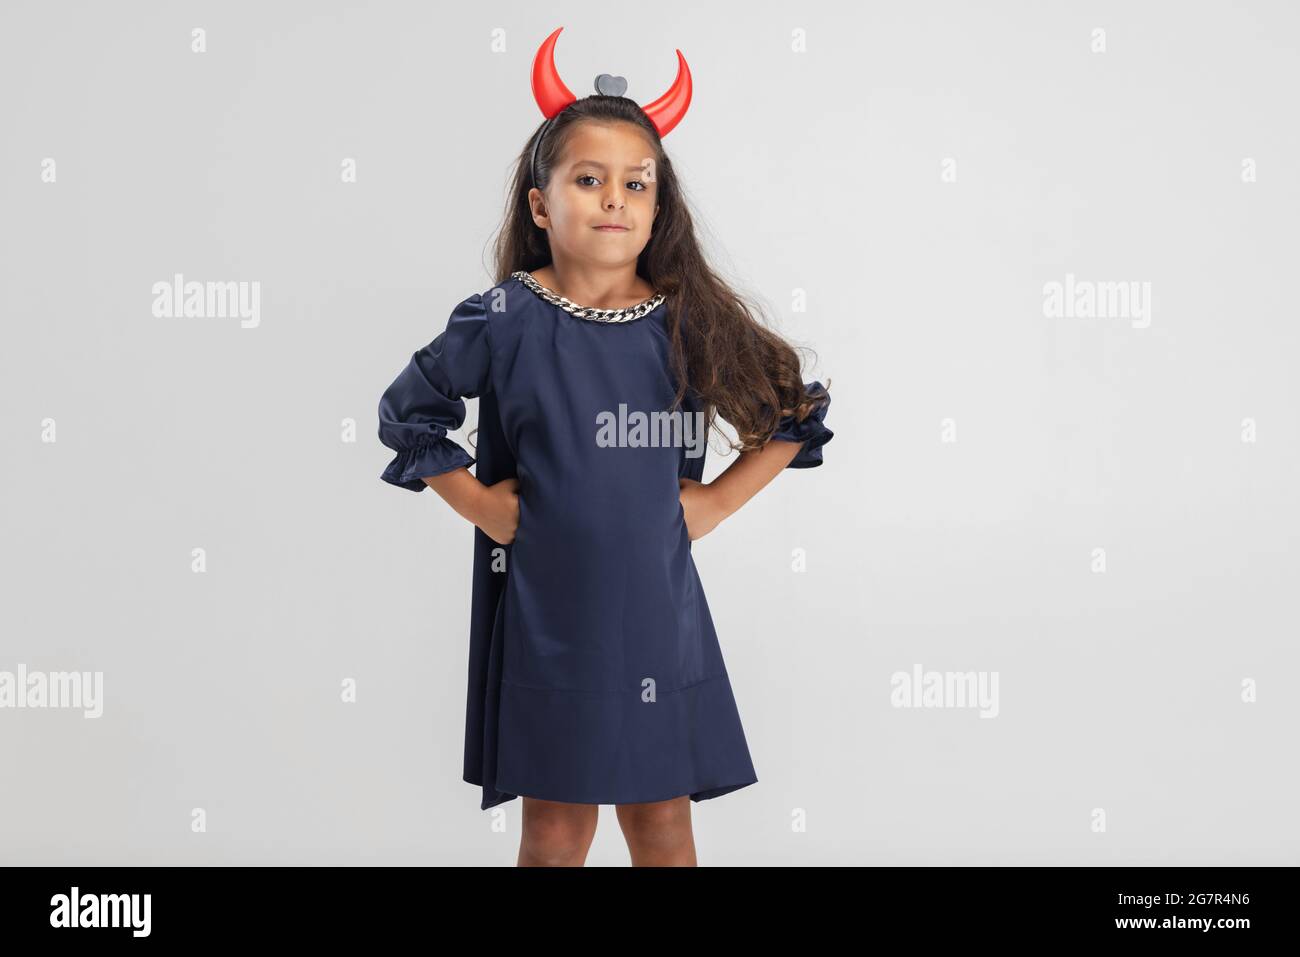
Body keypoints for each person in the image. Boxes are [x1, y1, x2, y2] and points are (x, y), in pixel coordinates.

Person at [376, 27, 833, 866]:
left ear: (658, 208)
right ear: (542, 204)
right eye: (588, 180)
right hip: (547, 615)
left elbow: (793, 409)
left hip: (656, 615)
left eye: (636, 183)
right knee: (555, 827)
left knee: (660, 819)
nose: (613, 198)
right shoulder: (505, 318)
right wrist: (479, 504)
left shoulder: (685, 319)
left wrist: (715, 501)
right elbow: (408, 411)